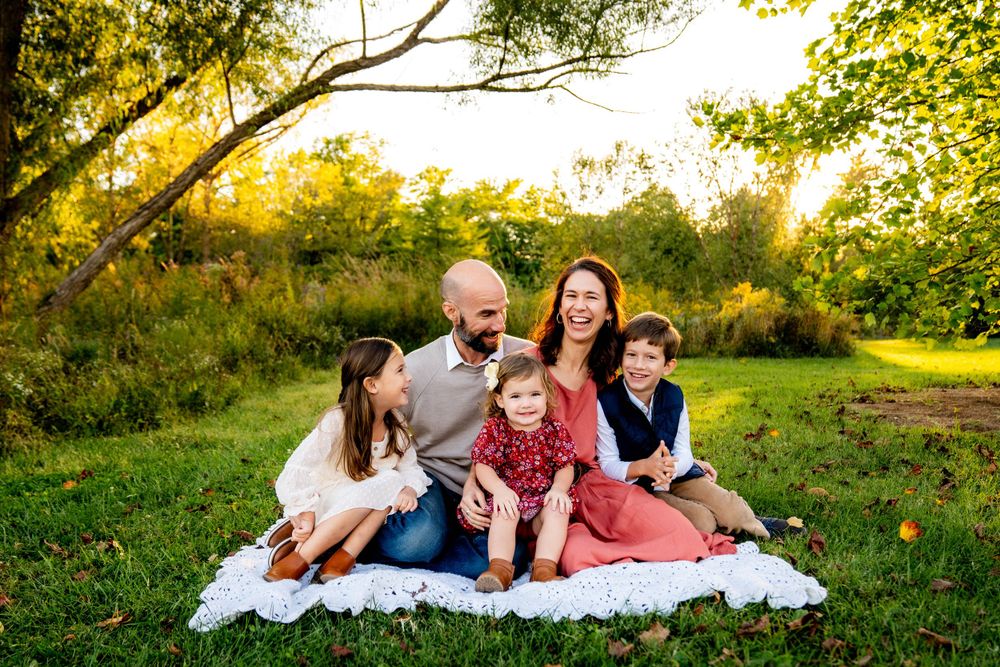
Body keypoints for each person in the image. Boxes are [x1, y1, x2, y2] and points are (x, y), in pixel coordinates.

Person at [528, 256, 738, 576]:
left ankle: (731, 521)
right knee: (577, 558)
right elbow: (492, 432)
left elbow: (628, 433)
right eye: (571, 296)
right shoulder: (528, 367)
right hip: (546, 497)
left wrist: (688, 463)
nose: (579, 306)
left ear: (609, 312)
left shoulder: (609, 375)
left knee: (678, 533)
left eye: (591, 297)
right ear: (558, 306)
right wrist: (475, 482)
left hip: (597, 489)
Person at [362, 260, 534, 579]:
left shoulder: (527, 360)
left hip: (496, 488)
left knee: (508, 556)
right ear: (451, 312)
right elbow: (364, 429)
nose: (500, 325)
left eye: (503, 310)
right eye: (486, 314)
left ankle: (440, 543)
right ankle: (372, 540)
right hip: (433, 481)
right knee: (415, 540)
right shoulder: (417, 369)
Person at [596, 312, 797, 539]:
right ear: (621, 358)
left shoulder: (674, 396)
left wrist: (672, 468)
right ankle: (721, 524)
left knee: (732, 510)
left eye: (651, 358)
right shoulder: (606, 402)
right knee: (701, 522)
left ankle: (746, 520)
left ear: (668, 366)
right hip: (640, 486)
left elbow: (683, 451)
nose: (638, 365)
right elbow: (607, 463)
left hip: (678, 476)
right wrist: (643, 467)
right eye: (631, 355)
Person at [263, 337, 431, 582]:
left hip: (363, 505)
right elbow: (297, 469)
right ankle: (302, 556)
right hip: (330, 498)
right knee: (388, 480)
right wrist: (305, 510)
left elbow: (411, 468)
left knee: (391, 482)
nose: (409, 377)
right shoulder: (338, 420)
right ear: (372, 385)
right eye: (399, 370)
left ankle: (341, 556)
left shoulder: (396, 425)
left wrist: (409, 488)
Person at [463, 355, 577, 592]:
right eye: (516, 396)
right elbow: (483, 465)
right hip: (508, 502)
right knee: (506, 510)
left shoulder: (554, 429)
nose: (526, 404)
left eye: (535, 395)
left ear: (547, 395)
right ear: (500, 400)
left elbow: (565, 465)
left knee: (558, 509)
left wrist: (558, 489)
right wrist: (500, 490)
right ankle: (500, 570)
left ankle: (544, 570)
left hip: (540, 505)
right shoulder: (496, 429)